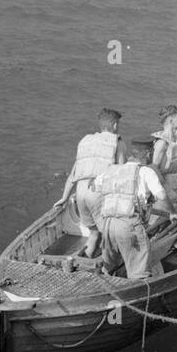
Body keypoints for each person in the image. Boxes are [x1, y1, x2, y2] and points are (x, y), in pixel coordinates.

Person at [92, 138, 177, 280]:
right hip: (128, 226)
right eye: (151, 153)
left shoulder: (112, 169)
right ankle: (140, 297)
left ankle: (106, 289)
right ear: (147, 154)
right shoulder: (146, 171)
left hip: (107, 225)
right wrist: (173, 213)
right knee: (139, 273)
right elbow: (162, 196)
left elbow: (93, 186)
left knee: (109, 268)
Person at [55, 108, 126, 258]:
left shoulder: (86, 142)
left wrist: (64, 198)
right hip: (98, 193)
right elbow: (121, 173)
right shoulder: (117, 142)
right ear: (114, 125)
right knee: (109, 235)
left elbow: (73, 175)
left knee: (94, 233)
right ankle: (105, 267)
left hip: (81, 193)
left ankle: (80, 261)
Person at [152, 104, 177, 205]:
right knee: (163, 211)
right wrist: (167, 189)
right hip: (164, 187)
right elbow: (154, 167)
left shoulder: (175, 137)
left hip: (173, 184)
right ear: (171, 120)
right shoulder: (162, 143)